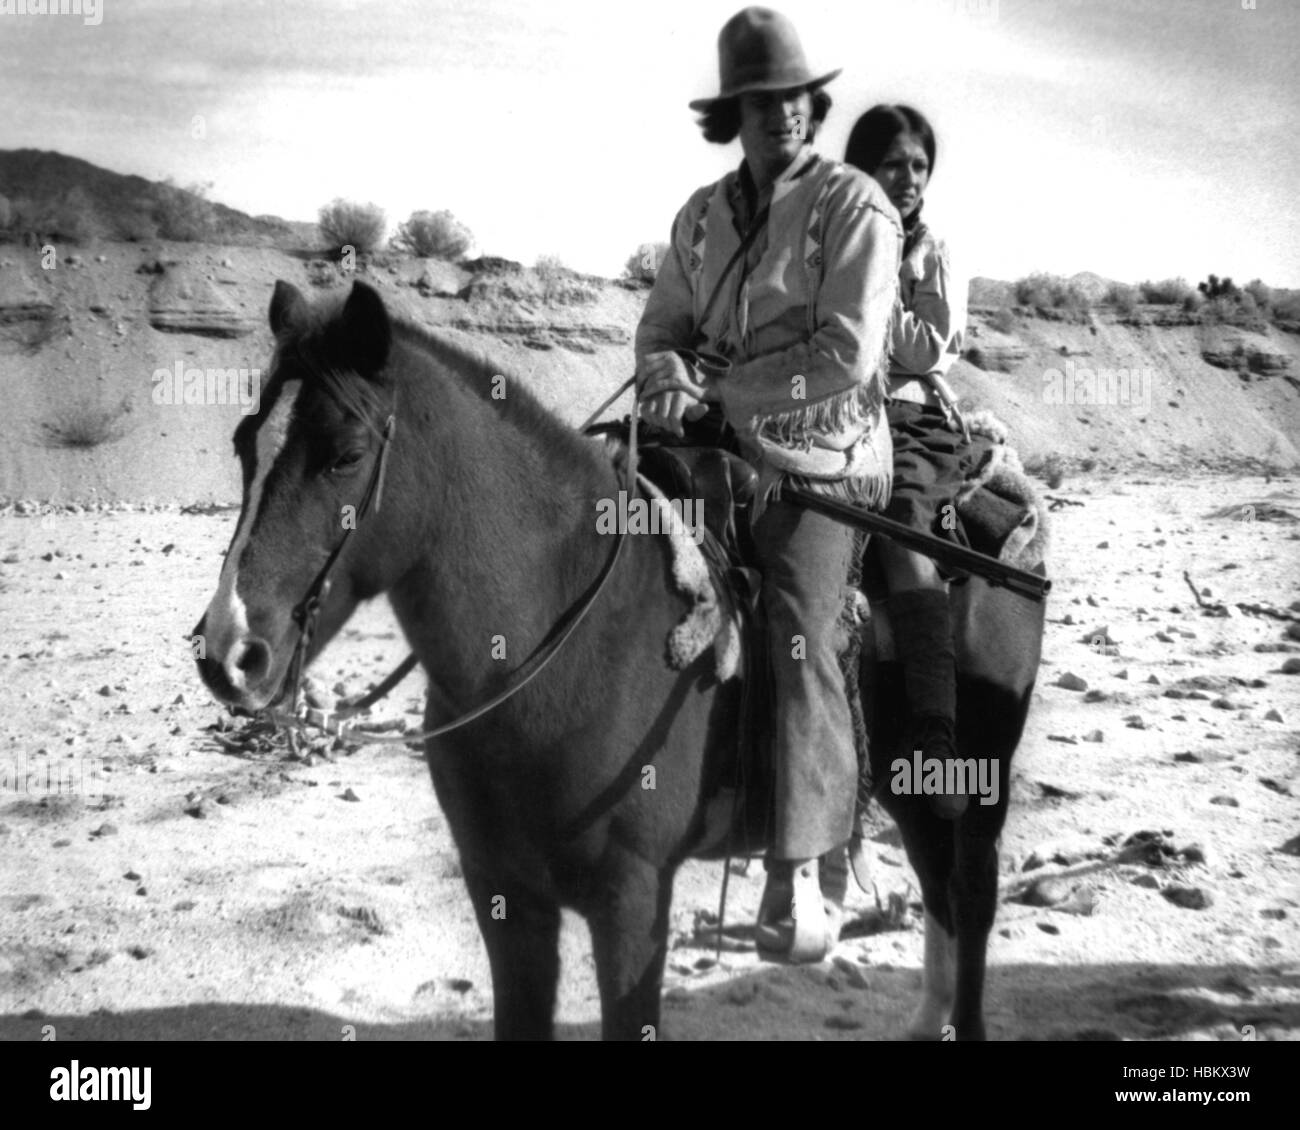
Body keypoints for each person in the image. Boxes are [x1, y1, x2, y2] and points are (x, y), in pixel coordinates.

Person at [635, 7, 901, 962]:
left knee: (795, 627)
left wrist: (723, 392)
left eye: (792, 98)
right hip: (709, 438)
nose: (779, 114)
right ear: (734, 113)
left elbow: (846, 352)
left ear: (811, 105)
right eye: (759, 101)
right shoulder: (700, 217)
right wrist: (666, 376)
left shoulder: (853, 205)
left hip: (819, 459)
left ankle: (802, 876)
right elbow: (662, 324)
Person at [844, 104, 971, 820]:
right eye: (895, 164)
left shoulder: (933, 251)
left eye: (920, 165)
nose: (910, 178)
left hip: (913, 415)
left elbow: (926, 349)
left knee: (900, 530)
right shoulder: (827, 238)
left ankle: (934, 733)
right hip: (832, 411)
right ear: (864, 168)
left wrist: (879, 280)